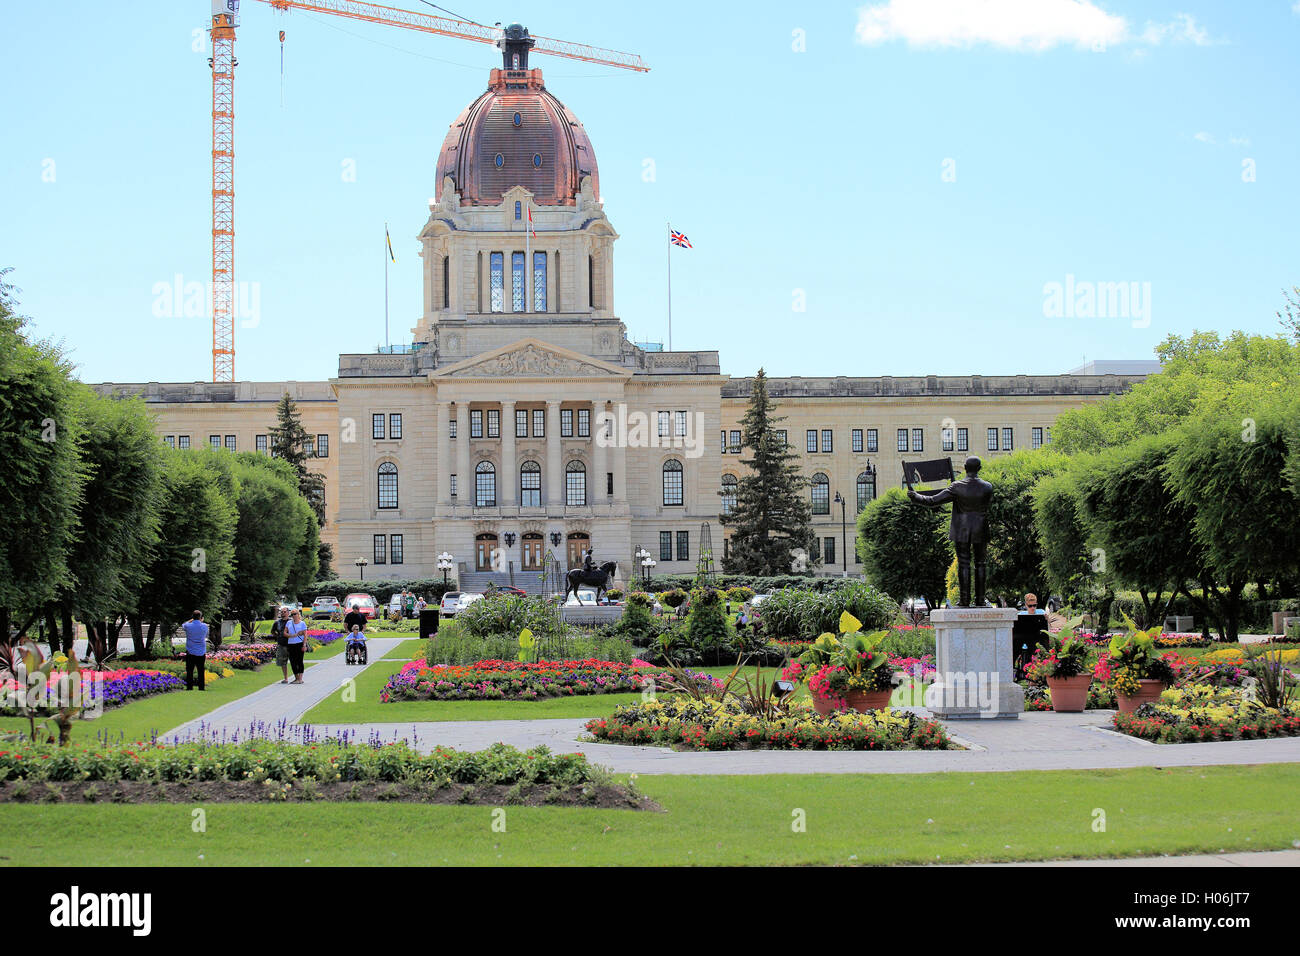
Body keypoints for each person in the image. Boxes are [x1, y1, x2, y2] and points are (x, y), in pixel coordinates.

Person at [907, 455, 993, 607]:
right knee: (981, 564)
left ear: (965, 469)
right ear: (979, 469)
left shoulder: (957, 487)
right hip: (981, 528)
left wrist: (916, 497)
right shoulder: (987, 487)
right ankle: (980, 600)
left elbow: (932, 501)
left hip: (962, 529)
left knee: (964, 564)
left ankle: (965, 600)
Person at [181, 611, 209, 691]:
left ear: (193, 617)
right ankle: (201, 687)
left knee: (189, 670)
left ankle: (189, 687)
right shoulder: (204, 626)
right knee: (201, 670)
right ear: (201, 617)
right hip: (201, 651)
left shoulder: (188, 626)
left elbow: (183, 625)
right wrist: (200, 621)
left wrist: (191, 620)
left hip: (190, 651)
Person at [284, 609, 308, 684]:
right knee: (292, 661)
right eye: (292, 614)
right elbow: (284, 633)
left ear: (298, 614)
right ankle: (296, 678)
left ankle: (300, 678)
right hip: (291, 644)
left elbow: (305, 635)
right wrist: (291, 635)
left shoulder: (302, 623)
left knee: (299, 661)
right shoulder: (289, 623)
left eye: (295, 614)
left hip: (299, 643)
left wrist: (304, 645)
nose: (294, 616)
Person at [270, 606, 292, 683]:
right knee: (283, 662)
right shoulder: (277, 622)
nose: (283, 613)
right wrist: (278, 636)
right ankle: (286, 678)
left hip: (292, 644)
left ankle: (298, 677)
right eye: (281, 612)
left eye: (284, 612)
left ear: (288, 613)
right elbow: (273, 631)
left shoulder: (291, 622)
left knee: (294, 661)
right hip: (282, 644)